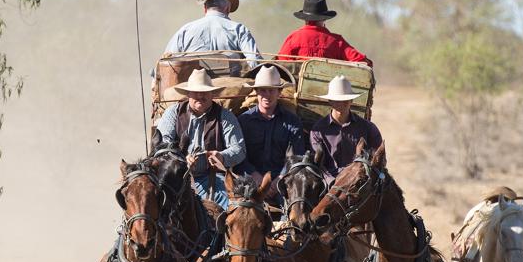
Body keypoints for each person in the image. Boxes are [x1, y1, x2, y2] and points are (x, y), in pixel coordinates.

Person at [154, 68, 245, 208]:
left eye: (204, 92)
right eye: (196, 92)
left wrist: (221, 156)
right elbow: (162, 147)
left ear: (212, 94)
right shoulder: (173, 113)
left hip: (213, 177)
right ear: (188, 93)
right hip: (175, 177)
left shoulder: (225, 117)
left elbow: (239, 149)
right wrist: (182, 160)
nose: (200, 96)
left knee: (229, 207)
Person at [237, 64, 306, 203]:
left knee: (294, 210)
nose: (267, 95)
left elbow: (297, 157)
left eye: (271, 90)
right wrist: (255, 176)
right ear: (256, 92)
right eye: (263, 90)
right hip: (250, 180)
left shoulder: (292, 122)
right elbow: (239, 155)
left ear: (279, 92)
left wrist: (278, 180)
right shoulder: (244, 121)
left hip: (283, 181)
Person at [164, 0, 260, 75]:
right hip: (231, 91)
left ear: (205, 8)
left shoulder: (186, 30)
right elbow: (254, 61)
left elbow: (167, 61)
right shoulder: (239, 29)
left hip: (193, 90)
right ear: (227, 8)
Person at [309, 75, 382, 177]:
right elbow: (318, 165)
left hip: (359, 182)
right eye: (337, 100)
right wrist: (332, 182)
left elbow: (378, 161)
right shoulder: (318, 130)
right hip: (328, 183)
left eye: (345, 100)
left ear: (351, 100)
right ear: (330, 101)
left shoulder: (368, 128)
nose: (341, 103)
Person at [277, 0, 373, 66]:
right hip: (330, 91)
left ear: (304, 18)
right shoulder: (337, 41)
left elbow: (281, 62)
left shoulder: (294, 37)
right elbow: (362, 62)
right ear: (325, 18)